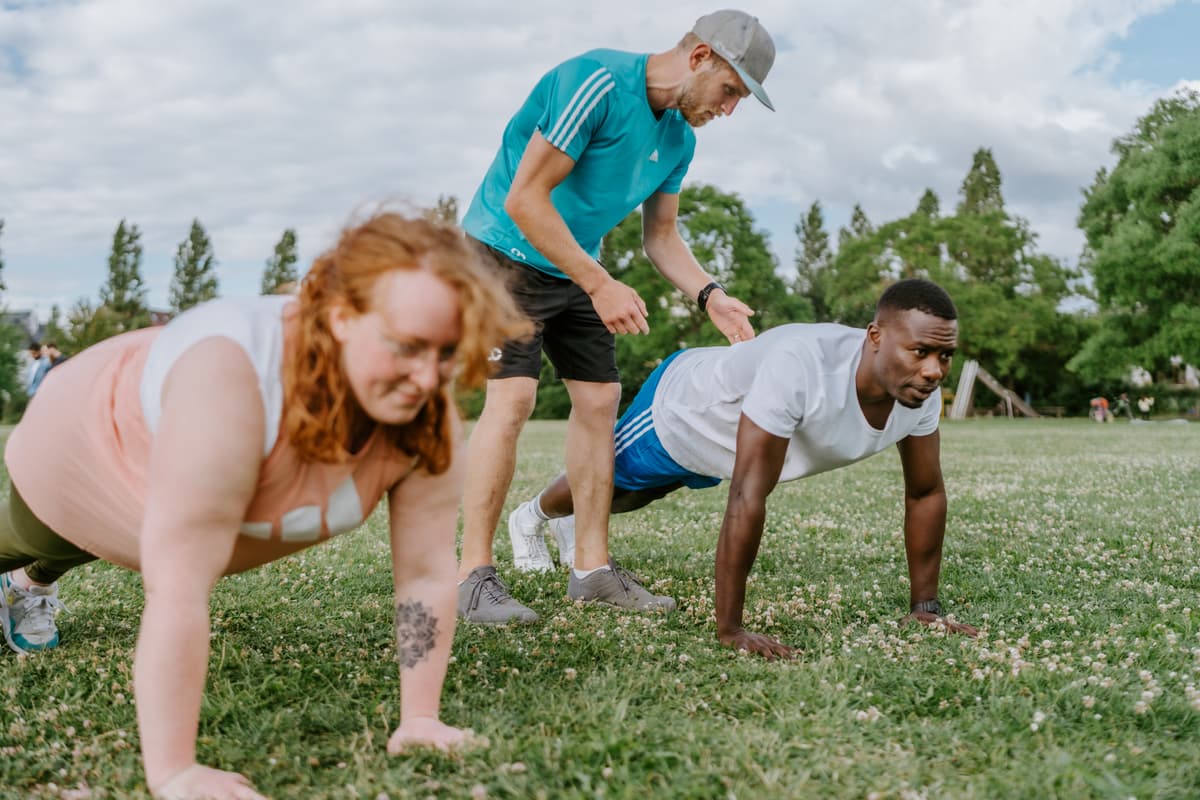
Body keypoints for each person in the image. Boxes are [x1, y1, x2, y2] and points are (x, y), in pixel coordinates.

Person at [0, 212, 530, 799]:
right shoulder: (229, 380)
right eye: (406, 346)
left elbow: (428, 574)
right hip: (82, 443)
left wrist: (420, 719)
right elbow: (178, 589)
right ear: (341, 318)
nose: (427, 378)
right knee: (35, 540)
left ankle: (32, 582)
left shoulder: (426, 422)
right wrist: (173, 771)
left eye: (448, 352)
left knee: (141, 537)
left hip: (184, 480)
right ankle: (28, 575)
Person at [457, 9, 775, 624]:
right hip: (503, 249)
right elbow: (526, 200)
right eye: (731, 90)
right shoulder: (596, 82)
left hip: (575, 263)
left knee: (601, 403)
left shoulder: (680, 140)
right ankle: (473, 577)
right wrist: (600, 283)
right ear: (700, 57)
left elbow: (661, 238)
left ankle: (592, 571)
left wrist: (711, 294)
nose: (729, 109)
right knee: (514, 398)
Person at [509, 279, 980, 658]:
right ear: (875, 337)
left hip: (732, 446)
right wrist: (731, 629)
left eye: (945, 356)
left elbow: (925, 493)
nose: (936, 370)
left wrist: (926, 608)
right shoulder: (801, 363)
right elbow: (748, 496)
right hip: (683, 411)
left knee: (644, 495)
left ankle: (573, 523)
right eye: (920, 351)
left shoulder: (921, 393)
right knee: (612, 484)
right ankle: (530, 517)